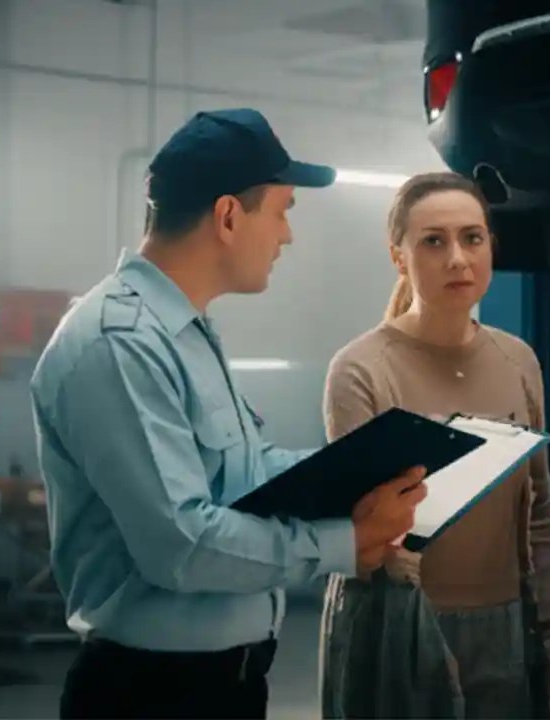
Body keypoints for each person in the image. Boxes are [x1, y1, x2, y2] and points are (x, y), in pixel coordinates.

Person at [29, 108, 428, 720]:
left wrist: (363, 471)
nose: (288, 236)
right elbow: (182, 546)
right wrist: (342, 544)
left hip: (226, 683)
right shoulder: (120, 343)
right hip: (153, 695)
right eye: (283, 210)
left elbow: (244, 473)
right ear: (228, 216)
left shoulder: (183, 331)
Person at [318, 172, 550, 719]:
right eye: (434, 241)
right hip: (397, 625)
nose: (458, 258)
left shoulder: (518, 361)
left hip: (506, 630)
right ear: (399, 257)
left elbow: (539, 511)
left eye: (472, 238)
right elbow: (362, 531)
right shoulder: (362, 370)